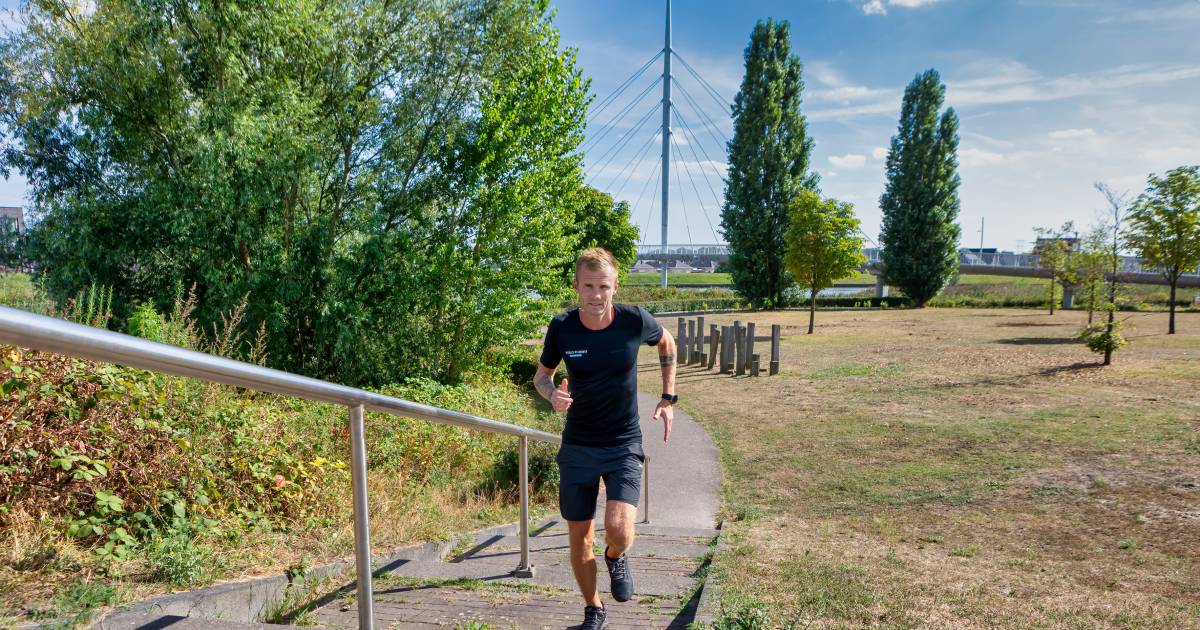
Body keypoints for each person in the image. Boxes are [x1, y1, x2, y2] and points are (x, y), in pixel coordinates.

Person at [533, 247, 677, 630]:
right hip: (578, 445)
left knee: (618, 528)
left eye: (604, 287)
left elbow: (668, 343)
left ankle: (616, 555)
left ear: (616, 286)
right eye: (588, 286)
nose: (596, 295)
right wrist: (552, 395)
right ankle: (594, 609)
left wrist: (668, 397)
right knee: (579, 537)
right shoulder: (562, 327)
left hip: (623, 443)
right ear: (577, 286)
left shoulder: (633, 321)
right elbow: (542, 376)